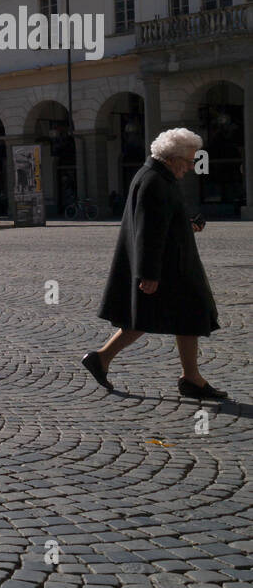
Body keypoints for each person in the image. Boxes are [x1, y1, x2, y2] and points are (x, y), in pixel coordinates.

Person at [82, 128, 227, 401]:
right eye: (189, 161)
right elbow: (148, 231)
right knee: (169, 316)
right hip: (168, 268)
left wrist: (186, 226)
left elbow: (163, 221)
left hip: (171, 264)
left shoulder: (158, 177)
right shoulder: (154, 181)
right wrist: (148, 274)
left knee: (168, 317)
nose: (191, 167)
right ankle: (104, 359)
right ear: (173, 158)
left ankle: (188, 377)